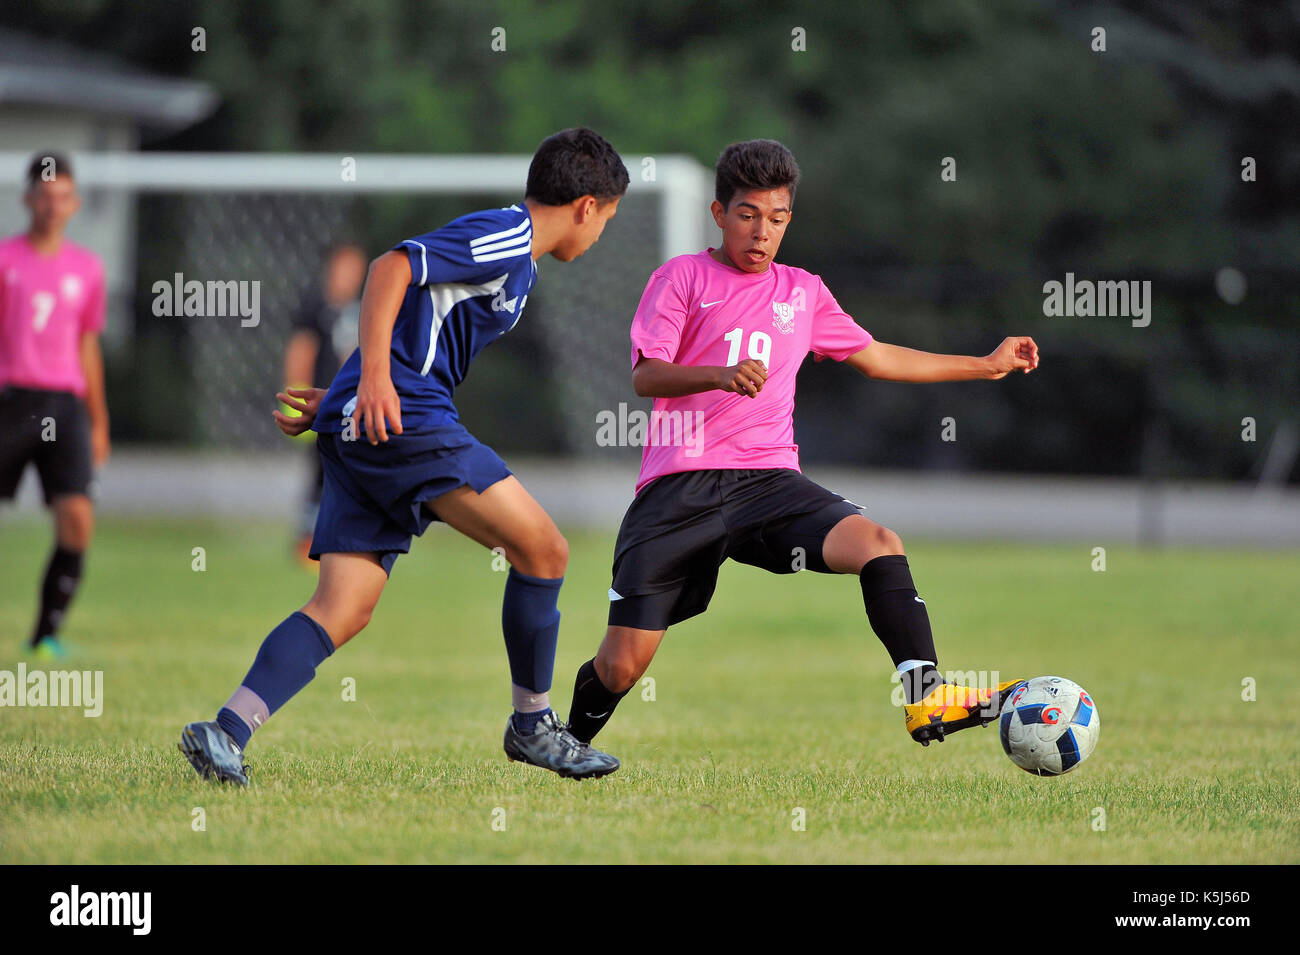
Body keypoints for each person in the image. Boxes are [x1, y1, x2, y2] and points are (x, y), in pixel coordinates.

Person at [179, 128, 629, 785]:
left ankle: (224, 732)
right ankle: (532, 725)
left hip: (368, 421)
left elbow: (412, 319)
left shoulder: (523, 263)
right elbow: (391, 268)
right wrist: (372, 382)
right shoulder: (508, 234)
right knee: (545, 549)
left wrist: (340, 396)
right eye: (607, 221)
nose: (599, 237)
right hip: (407, 416)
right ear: (587, 205)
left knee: (343, 606)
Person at [565, 139, 1040, 754]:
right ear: (719, 214)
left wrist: (984, 365)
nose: (762, 232)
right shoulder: (681, 276)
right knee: (623, 667)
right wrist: (717, 372)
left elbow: (878, 356)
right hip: (680, 487)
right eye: (748, 215)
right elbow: (647, 374)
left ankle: (926, 695)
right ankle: (563, 742)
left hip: (769, 484)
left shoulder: (802, 291)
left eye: (778, 219)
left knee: (878, 544)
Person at [0, 152, 109, 660]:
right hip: (11, 398)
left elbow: (88, 345)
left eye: (63, 196)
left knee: (77, 517)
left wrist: (98, 419)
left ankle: (46, 634)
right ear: (27, 199)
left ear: (75, 203)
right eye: (44, 195)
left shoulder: (87, 269)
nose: (52, 205)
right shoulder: (6, 260)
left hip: (64, 404)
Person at [281, 242, 366, 567]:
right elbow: (301, 350)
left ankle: (344, 539)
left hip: (352, 405)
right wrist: (295, 393)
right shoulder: (315, 307)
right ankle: (307, 539)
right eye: (344, 268)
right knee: (321, 471)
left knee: (349, 470)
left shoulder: (361, 308)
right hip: (321, 404)